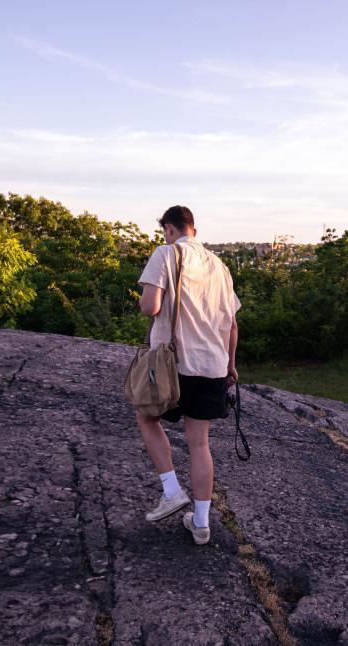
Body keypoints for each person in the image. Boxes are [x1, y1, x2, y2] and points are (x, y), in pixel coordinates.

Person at [135, 205, 241, 545]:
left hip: (176, 364)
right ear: (192, 228)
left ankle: (171, 491)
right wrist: (231, 365)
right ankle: (200, 522)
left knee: (146, 417)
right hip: (213, 365)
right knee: (200, 442)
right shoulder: (220, 265)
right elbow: (232, 323)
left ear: (169, 228)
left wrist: (147, 301)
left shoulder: (165, 253)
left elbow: (150, 307)